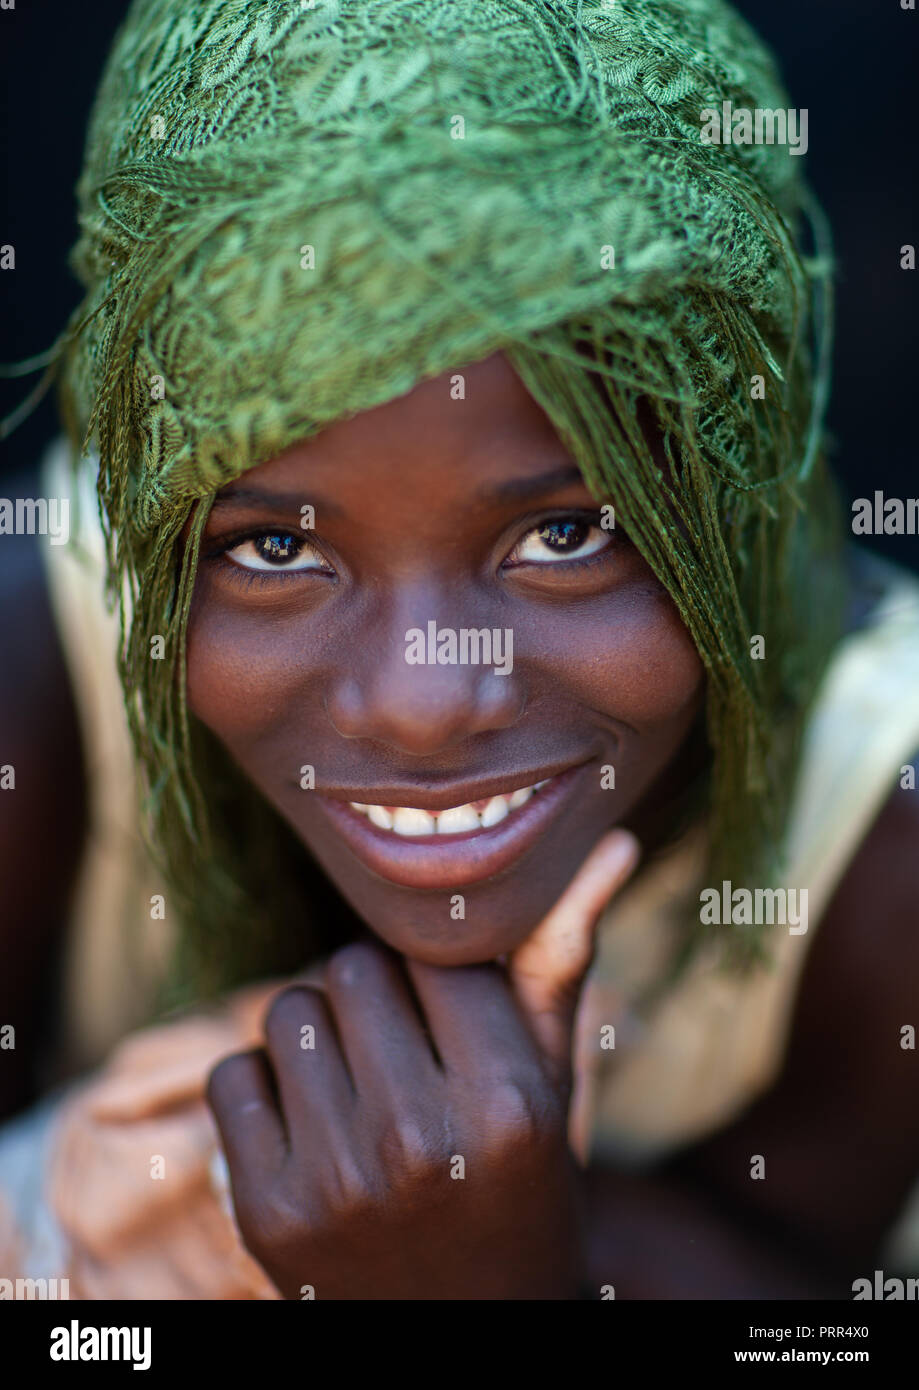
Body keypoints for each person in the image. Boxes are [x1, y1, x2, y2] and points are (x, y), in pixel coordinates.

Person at [1, 0, 918, 1299]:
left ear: (734, 489)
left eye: (563, 534)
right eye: (275, 551)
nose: (424, 703)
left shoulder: (884, 849)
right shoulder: (41, 665)